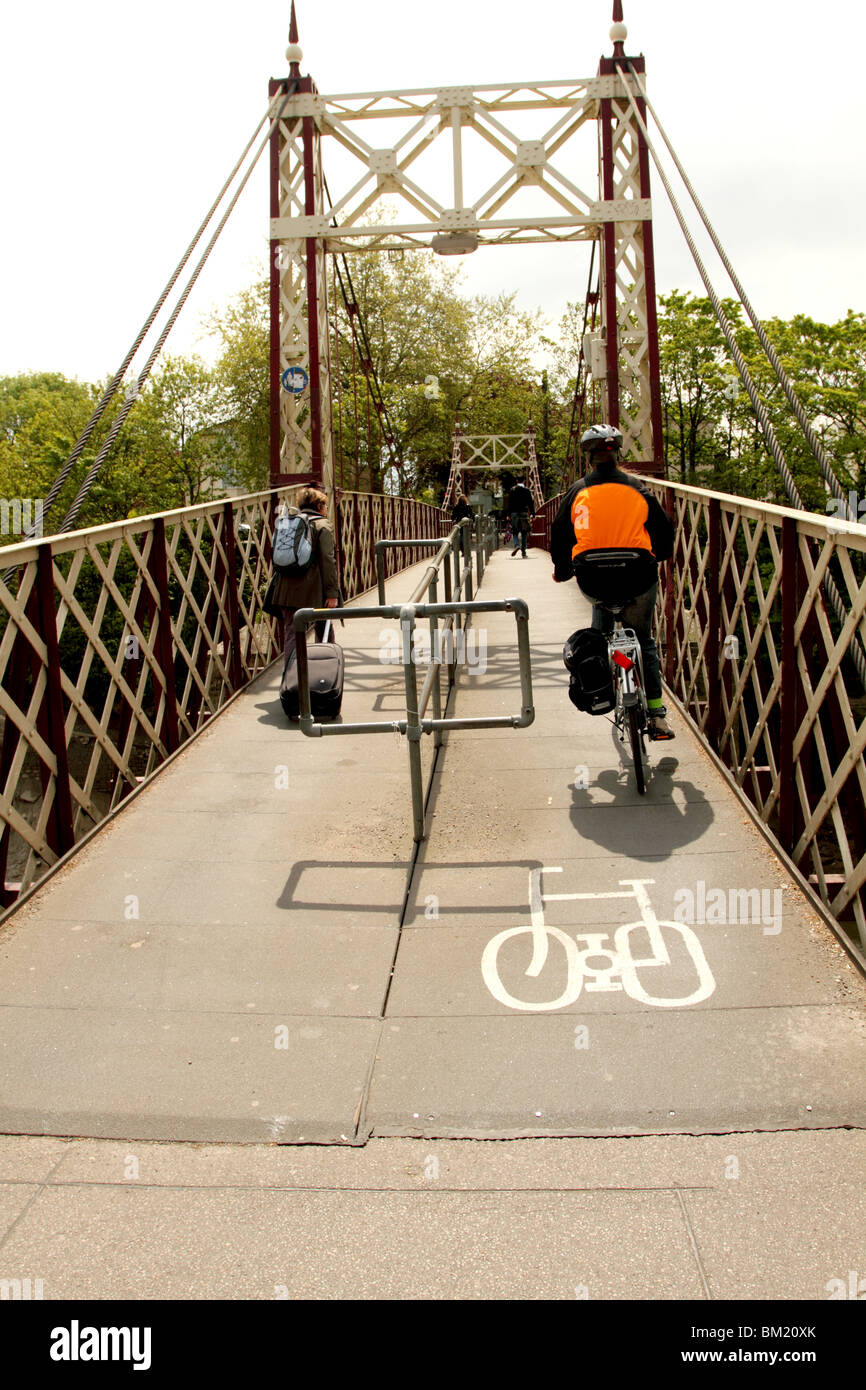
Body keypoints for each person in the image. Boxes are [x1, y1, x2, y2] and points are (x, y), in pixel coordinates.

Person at [550, 423, 676, 740]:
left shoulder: (577, 492)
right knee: (644, 641)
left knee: (601, 633)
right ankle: (658, 715)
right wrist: (657, 554)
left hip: (594, 581)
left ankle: (603, 679)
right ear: (617, 453)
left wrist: (562, 570)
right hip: (638, 577)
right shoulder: (638, 489)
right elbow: (664, 536)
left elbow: (560, 536)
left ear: (589, 458)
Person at [272, 487, 339, 666]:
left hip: (285, 591)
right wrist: (332, 593)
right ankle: (325, 672)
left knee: (292, 634)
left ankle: (292, 678)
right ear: (319, 506)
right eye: (325, 505)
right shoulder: (322, 525)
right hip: (313, 592)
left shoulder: (287, 523)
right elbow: (327, 560)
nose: (326, 509)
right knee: (323, 629)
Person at [506, 479, 535, 558]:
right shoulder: (527, 491)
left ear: (516, 481)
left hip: (514, 514)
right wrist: (533, 513)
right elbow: (530, 503)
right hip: (524, 513)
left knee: (515, 531)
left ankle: (516, 545)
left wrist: (508, 514)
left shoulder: (512, 490)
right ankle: (523, 552)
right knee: (524, 533)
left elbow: (509, 503)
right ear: (524, 481)